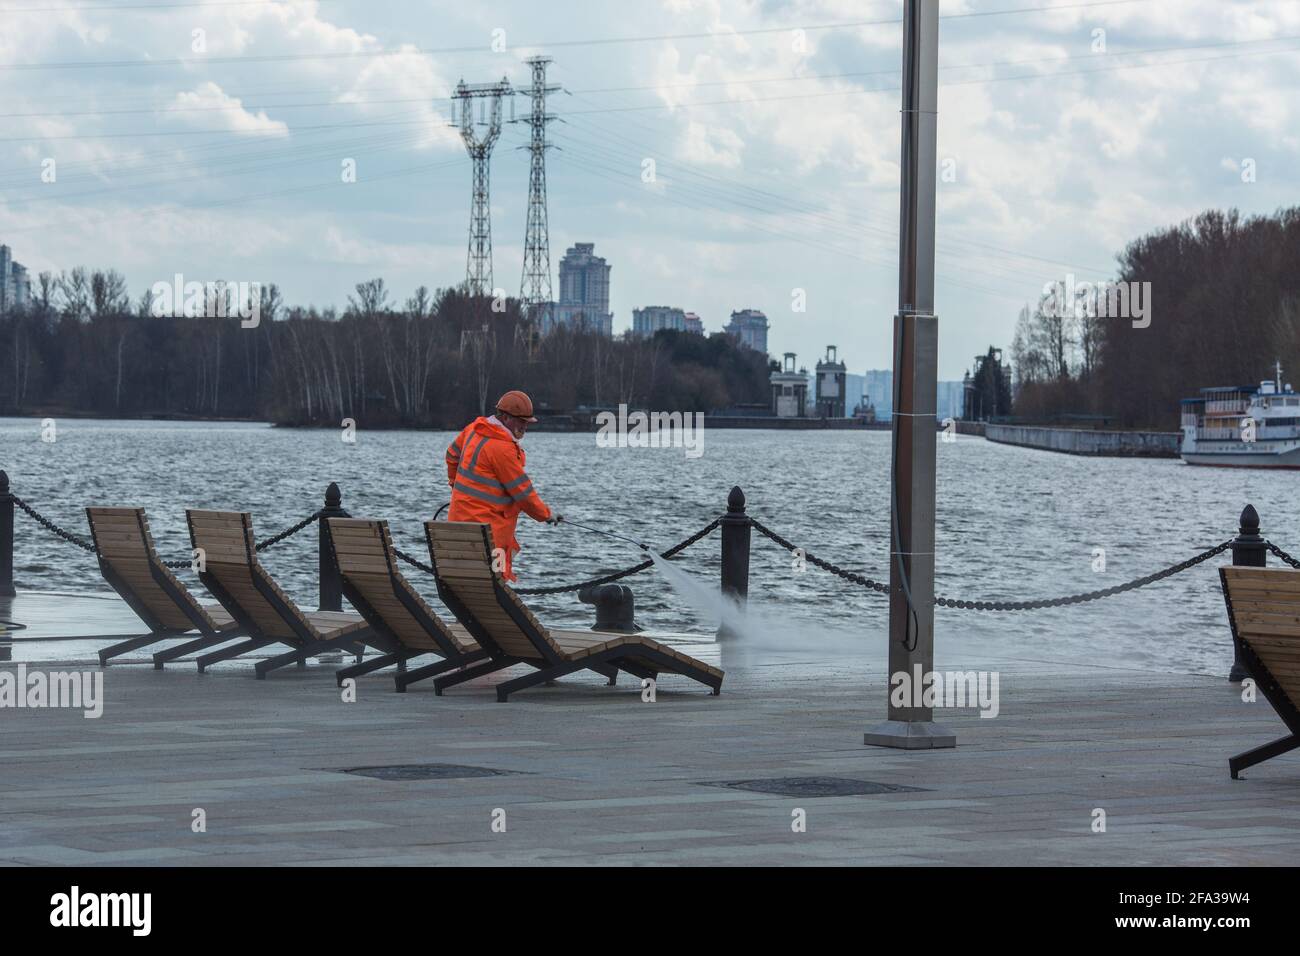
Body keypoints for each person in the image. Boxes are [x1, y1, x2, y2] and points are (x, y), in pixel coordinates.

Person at [444, 390, 561, 582]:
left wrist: (457, 487)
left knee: (474, 587)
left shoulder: (474, 429)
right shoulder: (502, 449)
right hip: (490, 537)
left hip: (458, 528)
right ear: (505, 417)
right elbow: (523, 493)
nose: (524, 426)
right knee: (494, 586)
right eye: (520, 421)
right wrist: (546, 515)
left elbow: (451, 455)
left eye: (527, 422)